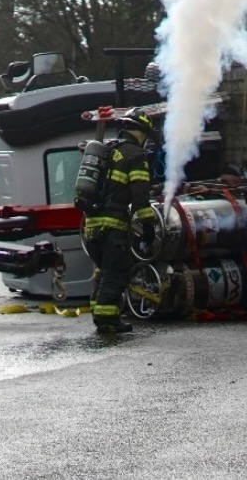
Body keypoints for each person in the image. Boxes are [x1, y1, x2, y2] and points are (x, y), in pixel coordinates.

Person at [74, 107, 158, 334]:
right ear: (141, 132)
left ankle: (98, 312)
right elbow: (140, 198)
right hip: (113, 227)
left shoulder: (107, 150)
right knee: (115, 273)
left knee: (104, 272)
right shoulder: (135, 155)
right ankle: (107, 320)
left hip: (91, 225)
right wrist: (148, 227)